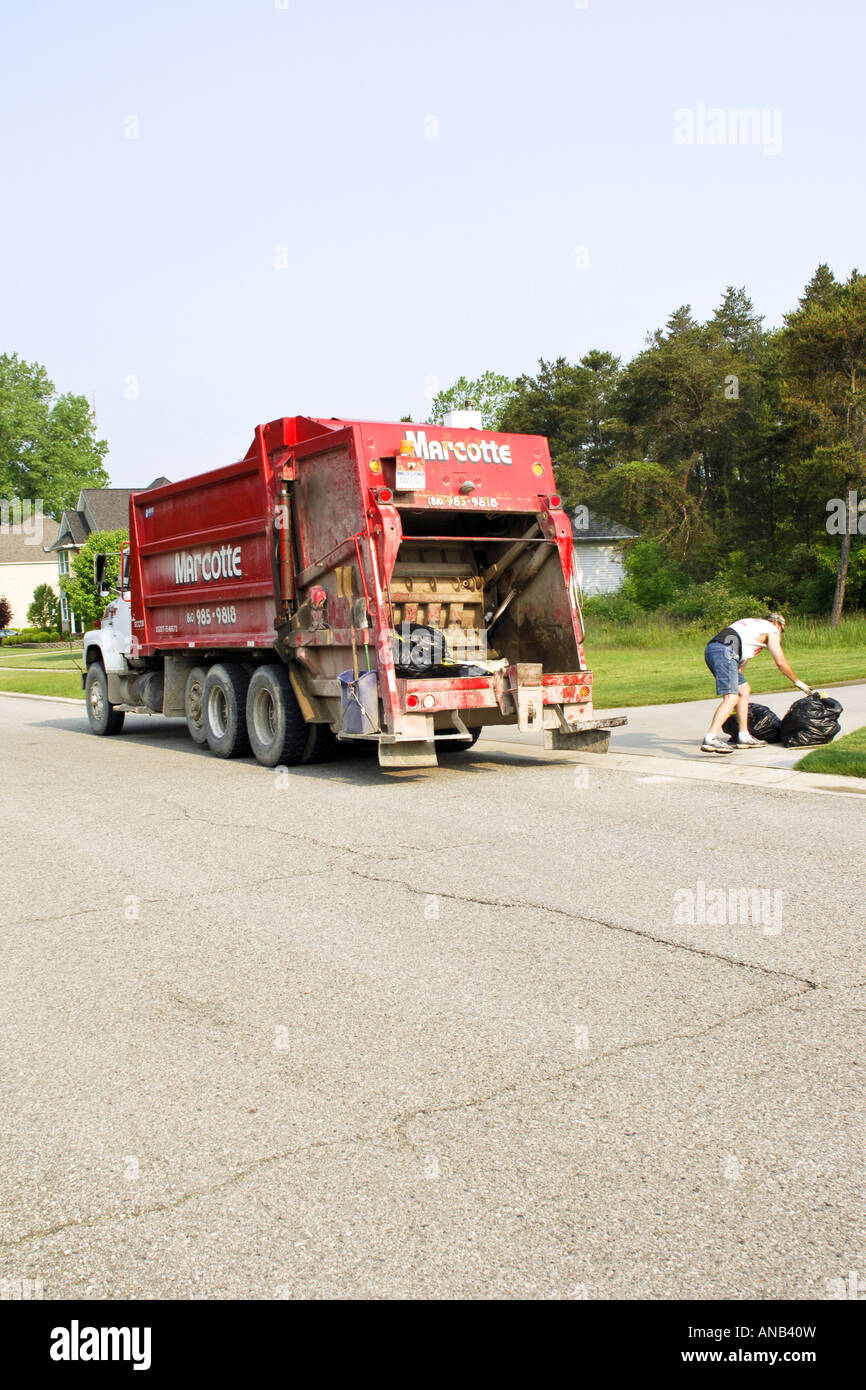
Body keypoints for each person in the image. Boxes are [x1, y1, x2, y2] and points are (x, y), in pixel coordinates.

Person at [701, 612, 811, 754]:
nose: (780, 634)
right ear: (777, 624)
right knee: (731, 697)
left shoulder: (751, 625)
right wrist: (798, 682)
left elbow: (740, 662)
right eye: (782, 630)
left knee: (743, 690)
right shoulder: (771, 629)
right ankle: (711, 738)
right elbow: (780, 662)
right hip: (725, 652)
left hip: (717, 650)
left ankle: (744, 736)